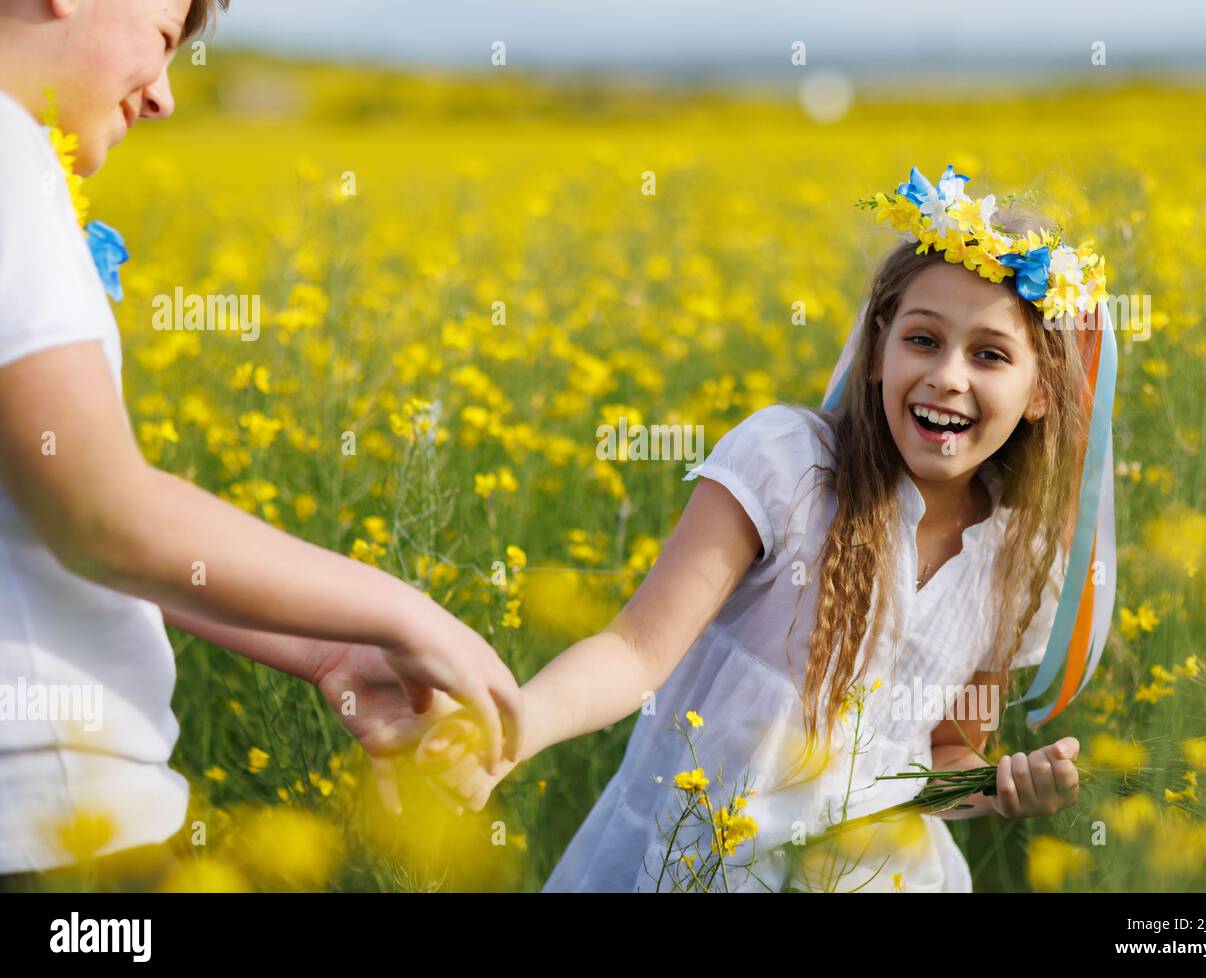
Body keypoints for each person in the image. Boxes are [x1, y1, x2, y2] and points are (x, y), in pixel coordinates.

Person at [417, 165, 1119, 892]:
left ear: (1040, 393)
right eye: (923, 339)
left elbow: (936, 762)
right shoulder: (790, 467)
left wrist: (1001, 787)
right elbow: (634, 651)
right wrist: (519, 725)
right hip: (698, 866)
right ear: (878, 350)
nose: (948, 375)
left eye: (990, 355)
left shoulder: (1018, 561)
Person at [0, 0, 521, 879]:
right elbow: (100, 516)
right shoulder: (10, 159)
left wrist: (322, 647)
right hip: (59, 834)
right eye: (165, 37)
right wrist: (401, 611)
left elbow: (51, 526)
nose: (164, 96)